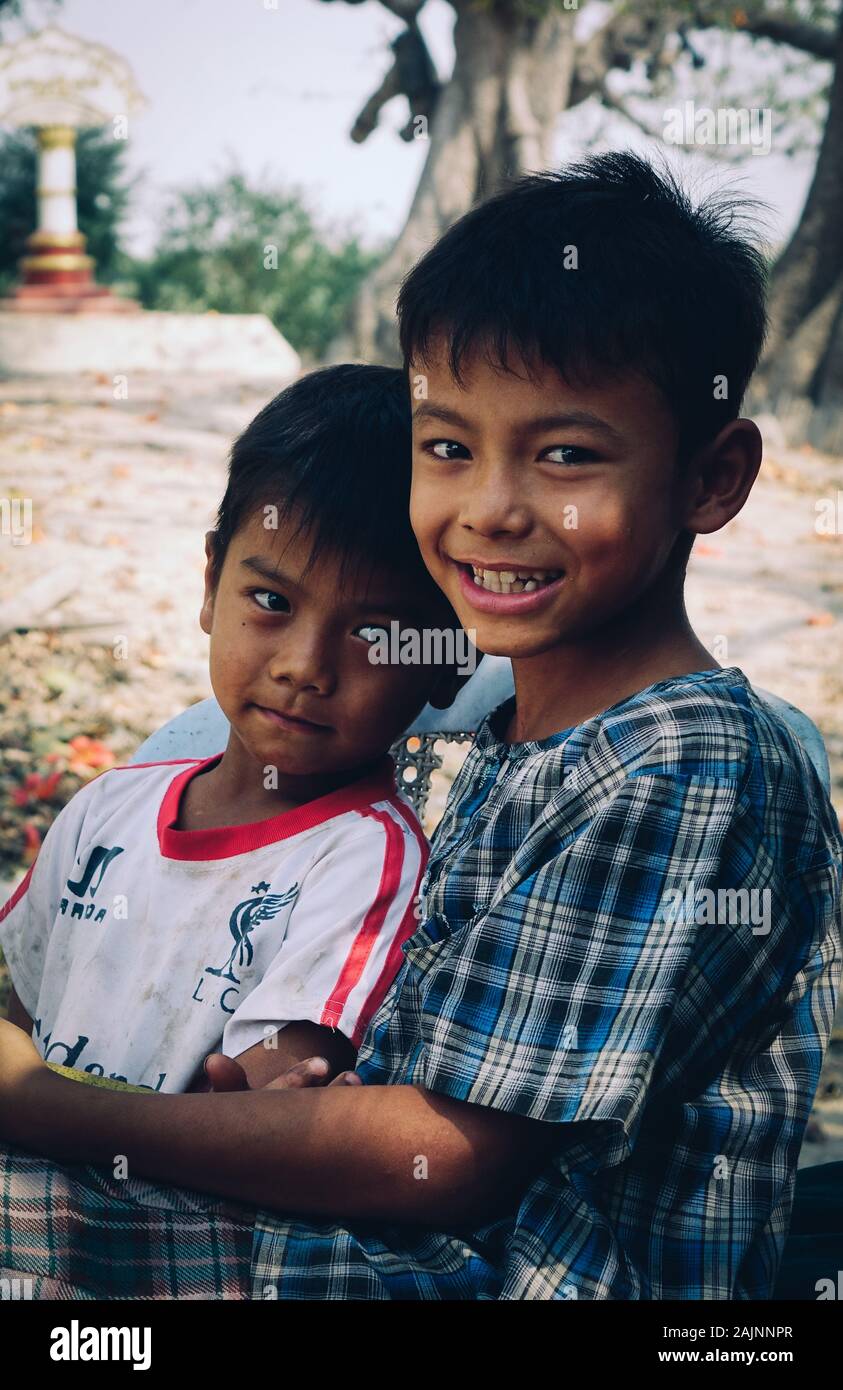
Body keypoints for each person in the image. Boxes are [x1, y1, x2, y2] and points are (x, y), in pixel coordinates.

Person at [1, 152, 841, 1301]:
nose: (489, 508)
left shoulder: (686, 760)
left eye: (566, 455)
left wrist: (46, 1105)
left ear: (714, 476)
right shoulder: (525, 748)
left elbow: (446, 1156)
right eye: (448, 446)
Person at [0, 364, 466, 1095]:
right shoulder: (106, 810)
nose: (304, 667)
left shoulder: (367, 864)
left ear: (447, 660)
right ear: (211, 583)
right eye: (271, 599)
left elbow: (246, 1108)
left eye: (373, 634)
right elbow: (21, 1024)